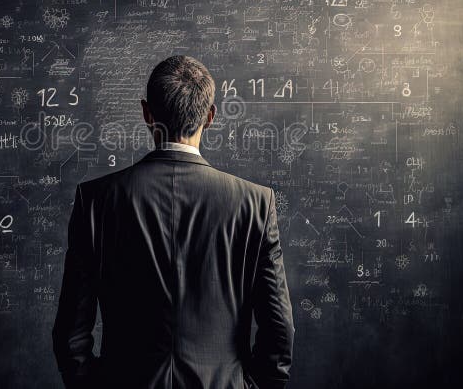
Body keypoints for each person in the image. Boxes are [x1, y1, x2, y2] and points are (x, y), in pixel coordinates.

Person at [52, 55, 294, 389]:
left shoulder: (96, 200)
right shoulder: (254, 204)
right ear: (210, 117)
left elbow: (70, 335)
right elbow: (280, 331)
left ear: (146, 113)